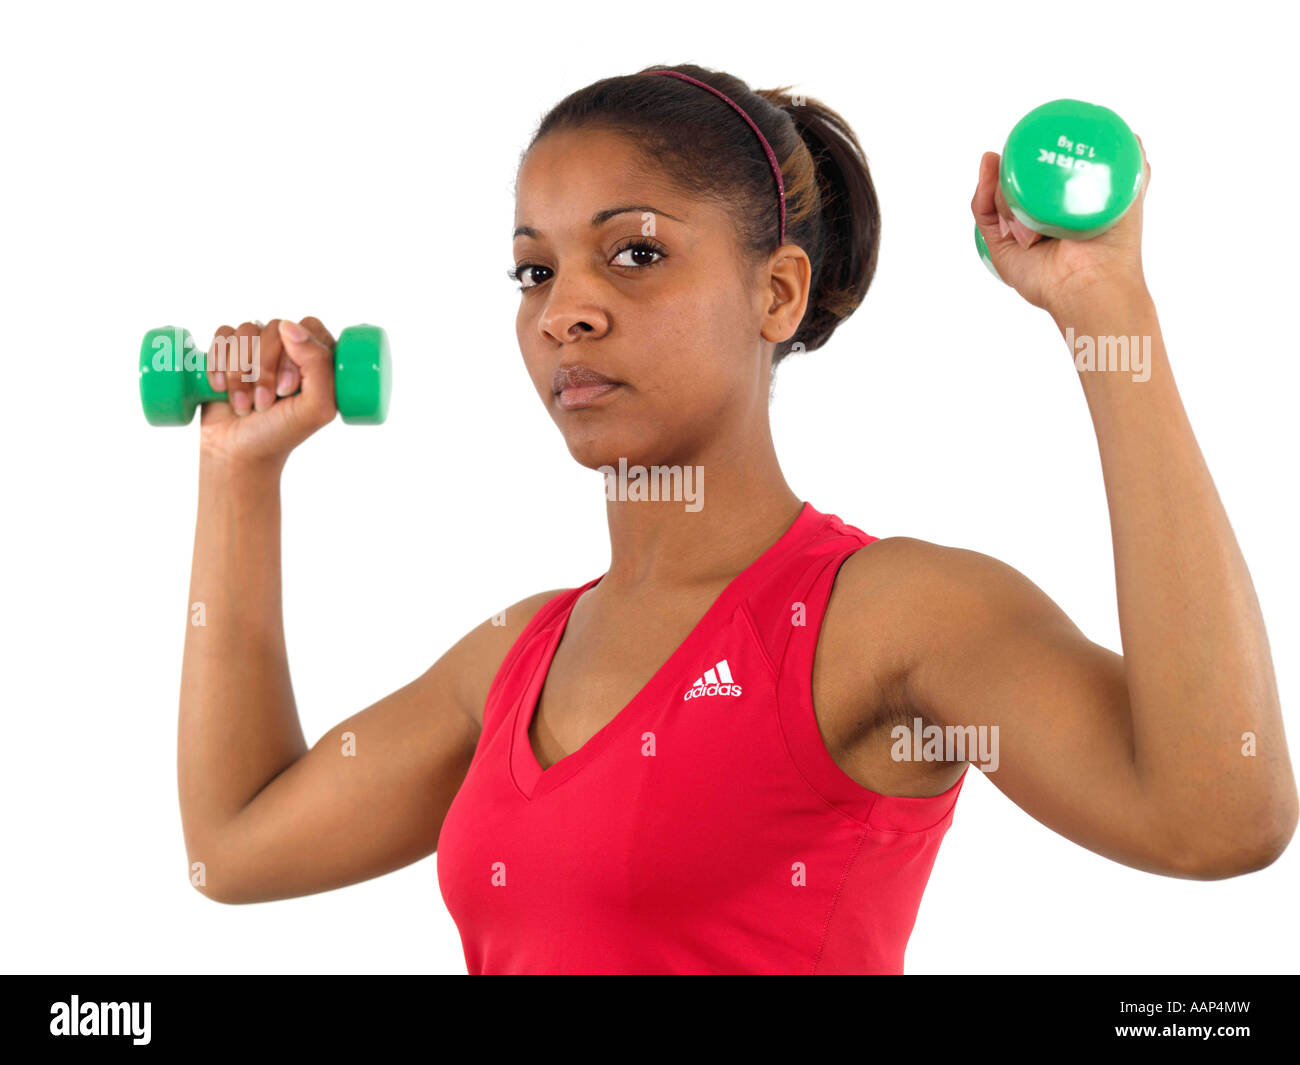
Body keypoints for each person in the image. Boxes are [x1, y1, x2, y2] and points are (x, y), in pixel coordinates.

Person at [177, 64, 1297, 974]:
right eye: (532, 272)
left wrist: (1109, 316)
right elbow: (232, 849)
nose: (566, 309)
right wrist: (240, 474)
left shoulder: (886, 618)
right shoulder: (518, 653)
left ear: (778, 294)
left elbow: (1219, 817)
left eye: (637, 254)